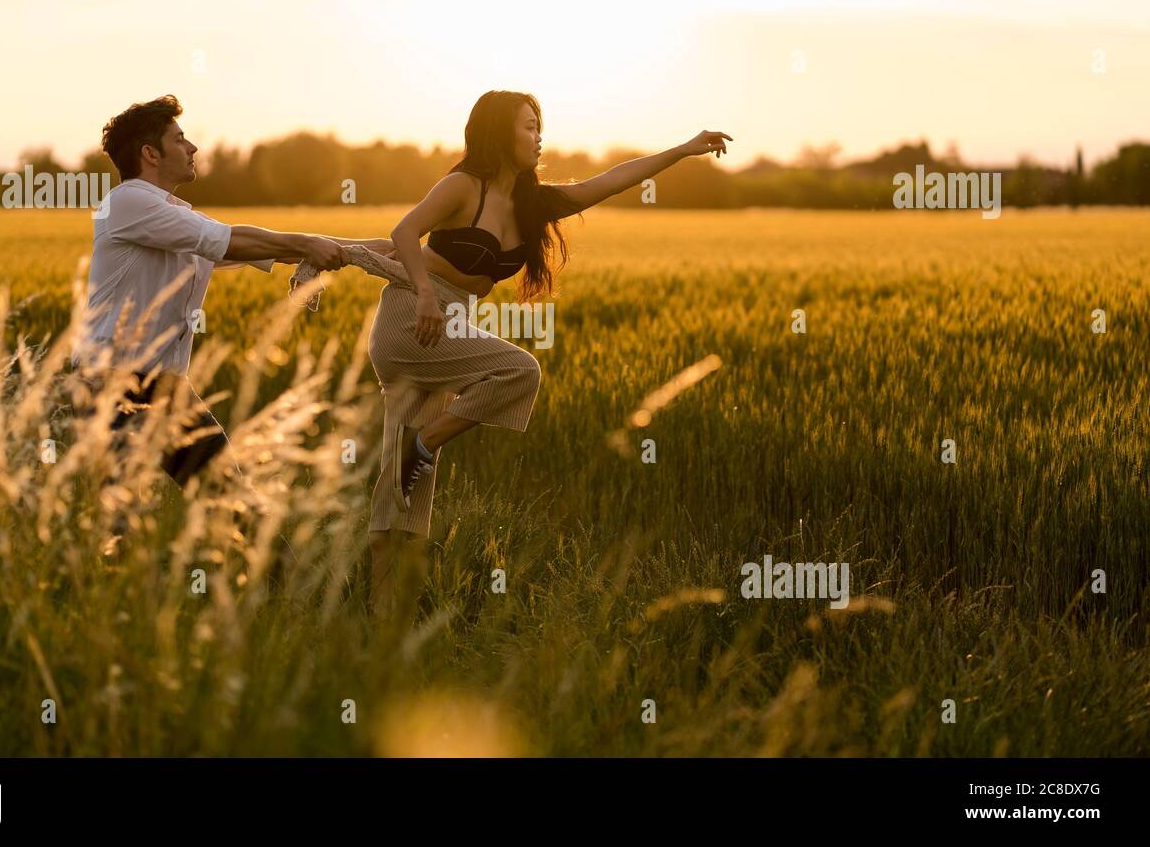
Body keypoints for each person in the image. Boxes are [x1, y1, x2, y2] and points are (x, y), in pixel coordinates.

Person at [363, 89, 732, 618]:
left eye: (540, 127)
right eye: (528, 126)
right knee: (519, 369)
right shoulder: (463, 186)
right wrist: (423, 291)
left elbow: (613, 179)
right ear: (498, 133)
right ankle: (422, 444)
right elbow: (403, 232)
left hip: (446, 325)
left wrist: (682, 149)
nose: (539, 137)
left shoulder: (534, 203)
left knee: (404, 490)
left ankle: (384, 620)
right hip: (410, 319)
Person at [71, 95, 382, 526]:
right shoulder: (128, 203)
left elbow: (248, 246)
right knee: (118, 521)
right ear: (150, 154)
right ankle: (116, 587)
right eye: (180, 140)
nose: (193, 147)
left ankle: (275, 587)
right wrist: (308, 244)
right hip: (114, 385)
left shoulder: (170, 217)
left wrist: (367, 250)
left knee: (232, 501)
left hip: (163, 386)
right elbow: (230, 239)